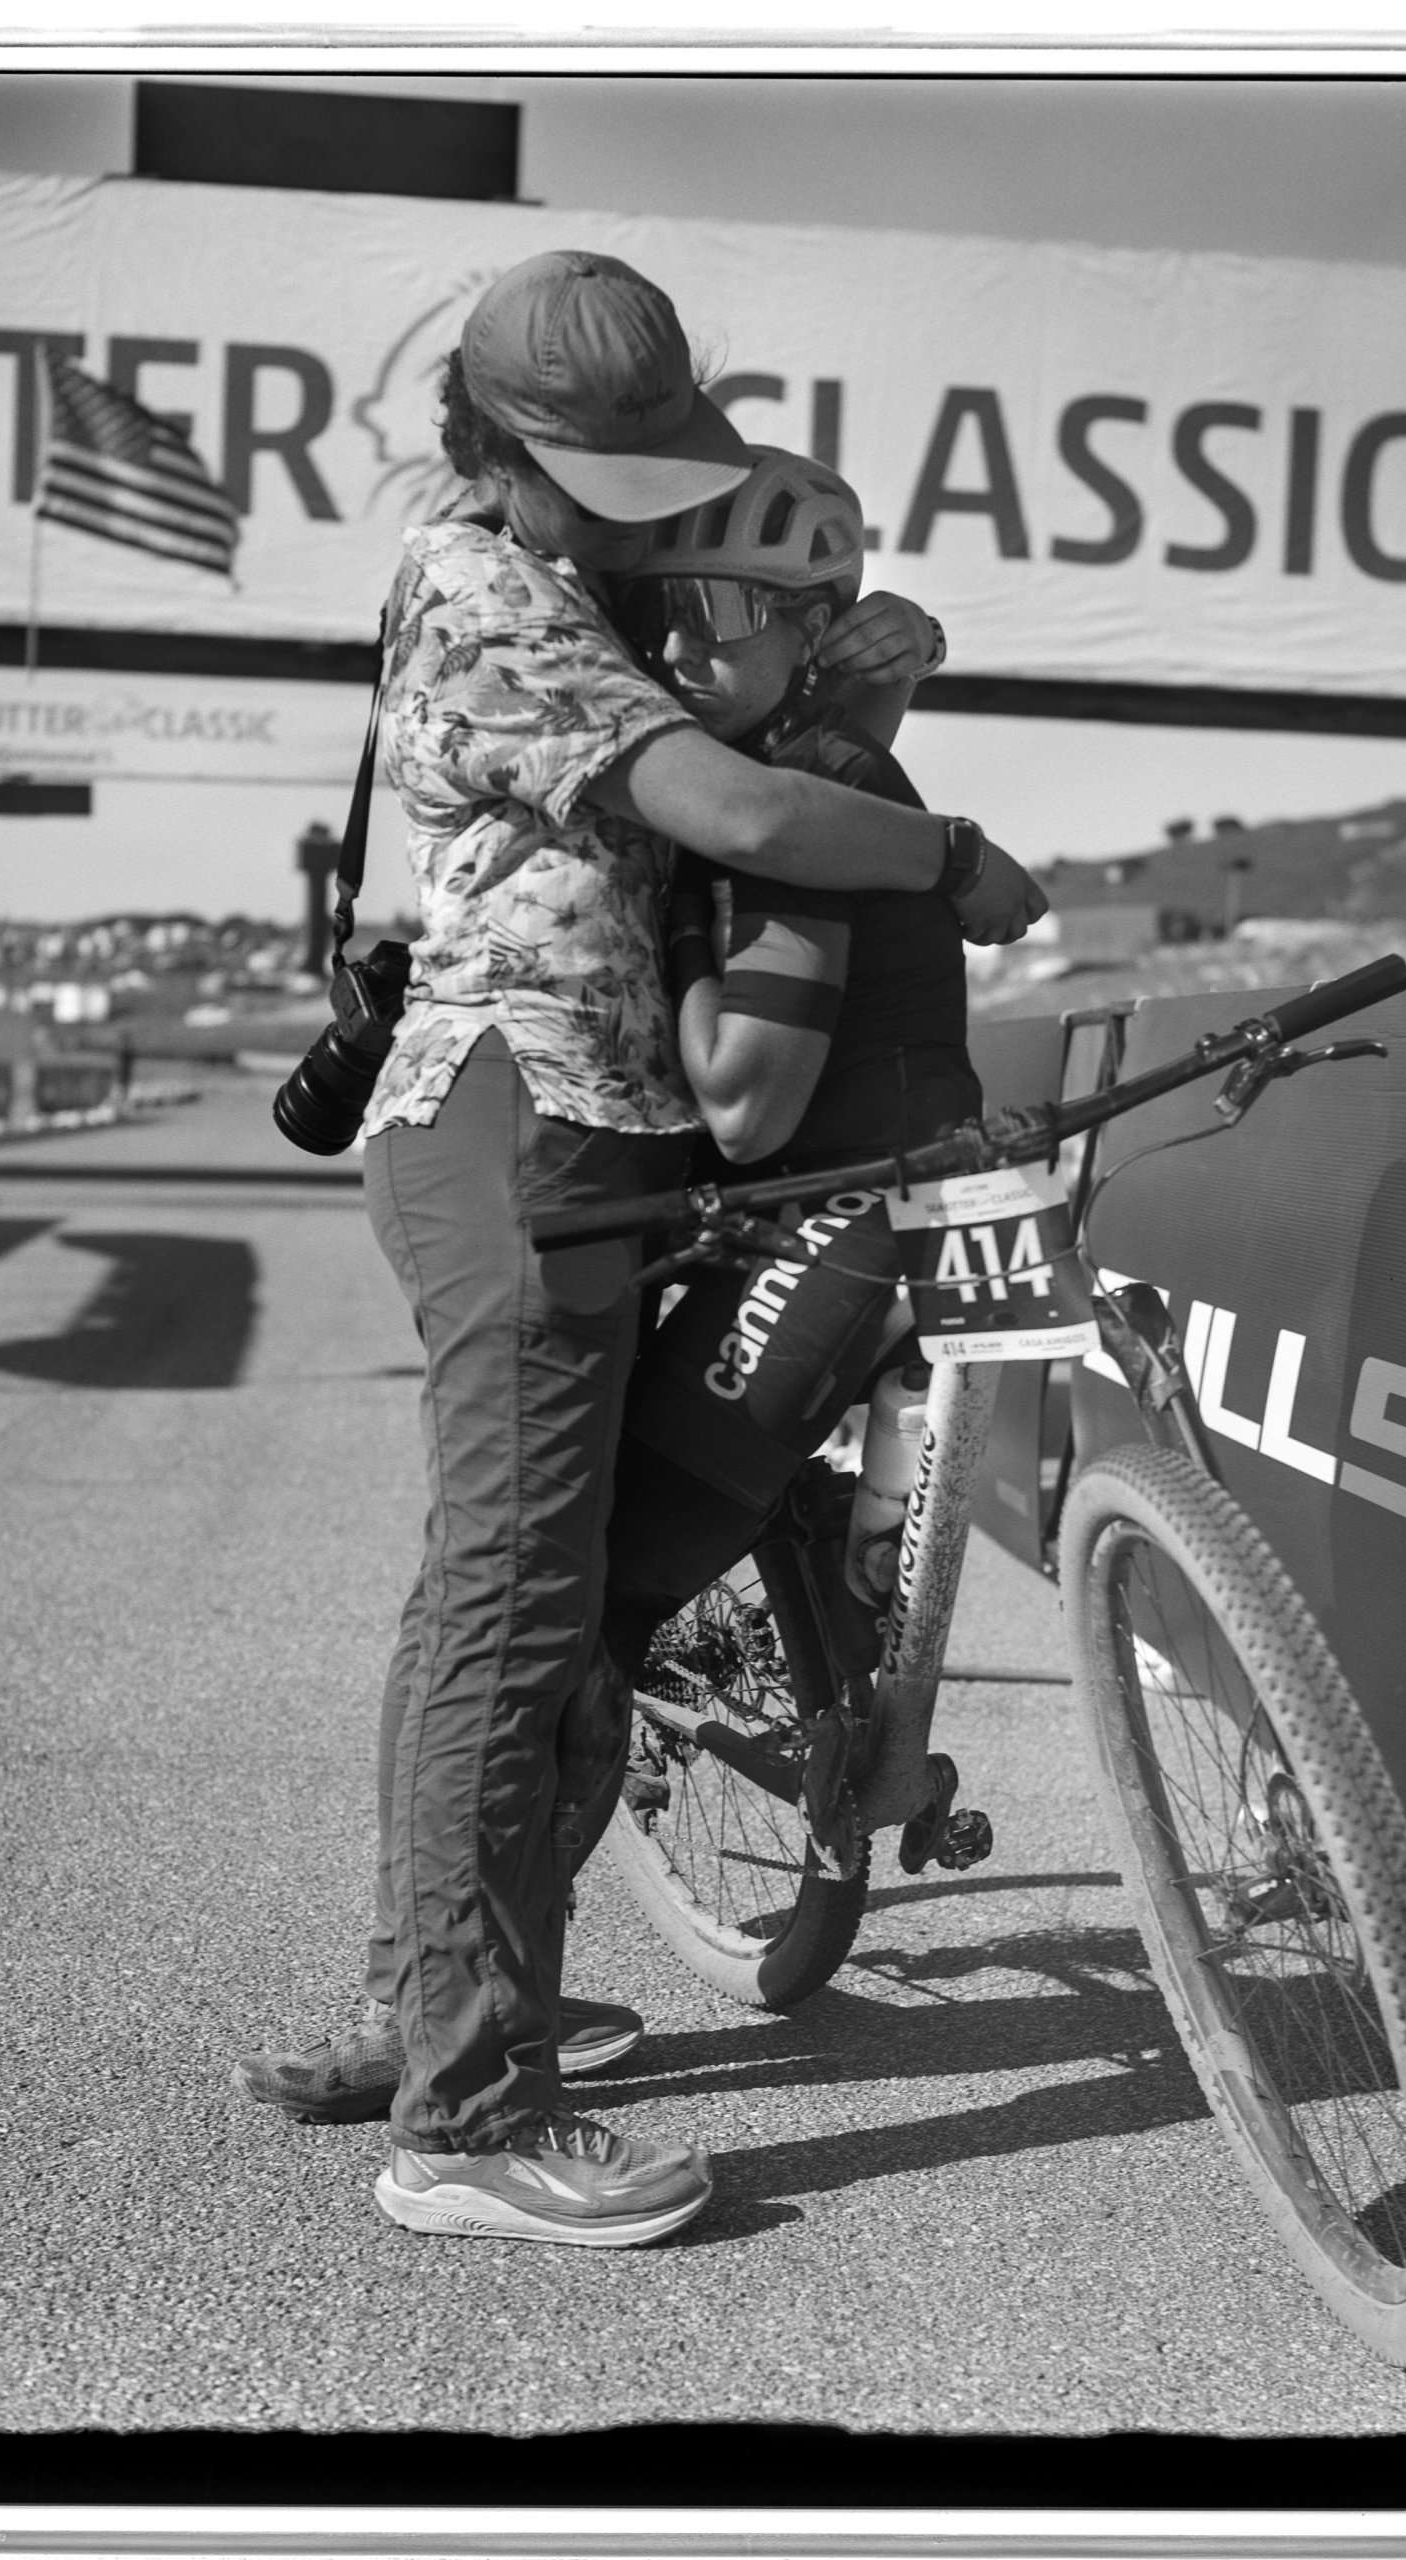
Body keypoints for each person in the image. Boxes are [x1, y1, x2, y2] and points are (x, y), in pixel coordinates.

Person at [231, 250, 1043, 2252]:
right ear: (491, 446)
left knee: (535, 1600)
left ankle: (425, 2005)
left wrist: (851, 685)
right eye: (600, 475)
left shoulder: (586, 580)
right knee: (518, 1609)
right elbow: (724, 808)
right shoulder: (482, 587)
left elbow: (736, 766)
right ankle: (468, 2116)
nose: (635, 510)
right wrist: (944, 850)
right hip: (515, 1124)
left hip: (607, 1134)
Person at [531, 444, 983, 1894]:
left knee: (585, 1597)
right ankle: (836, 1654)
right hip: (881, 1187)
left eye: (714, 609)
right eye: (654, 609)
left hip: (851, 1202)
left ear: (807, 625)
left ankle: (482, 1983)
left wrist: (668, 933)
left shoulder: (793, 791)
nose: (674, 647)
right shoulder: (799, 747)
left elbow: (742, 1099)